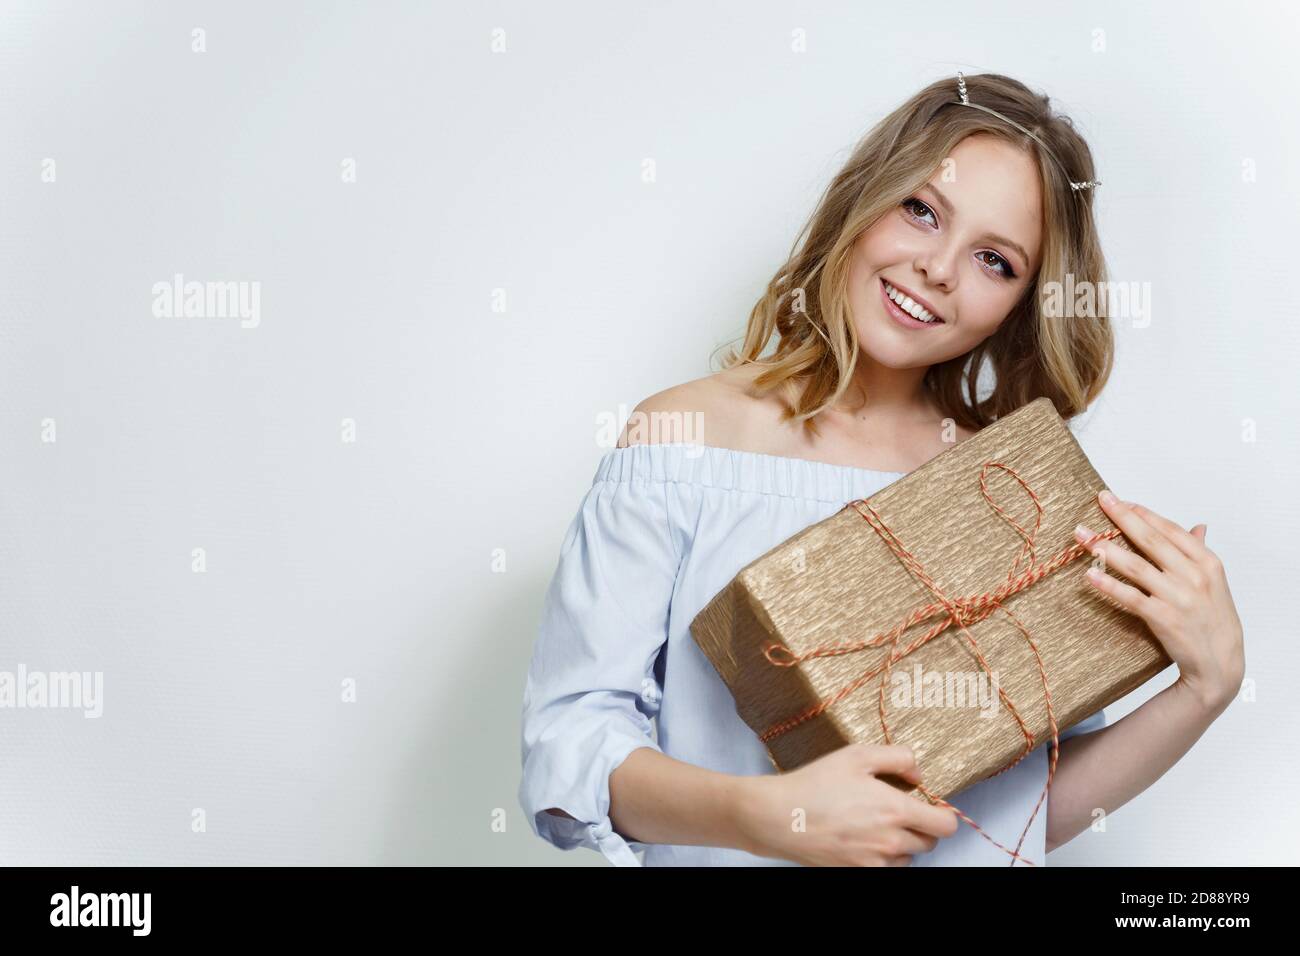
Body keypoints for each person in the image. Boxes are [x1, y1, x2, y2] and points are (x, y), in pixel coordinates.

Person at [517, 72, 1246, 866]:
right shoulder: (680, 440)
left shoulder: (1011, 490)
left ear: (1023, 303)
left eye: (995, 260)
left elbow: (1023, 810)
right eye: (922, 210)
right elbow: (569, 741)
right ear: (864, 199)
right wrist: (761, 815)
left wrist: (1203, 690)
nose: (938, 269)